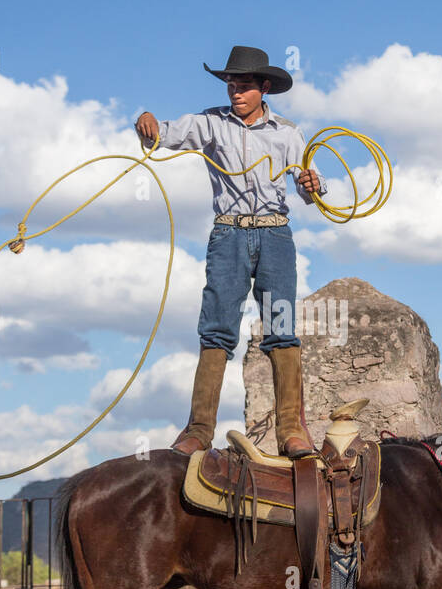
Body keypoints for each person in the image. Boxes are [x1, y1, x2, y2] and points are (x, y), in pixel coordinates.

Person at [135, 44, 328, 458]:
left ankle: (291, 431)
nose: (235, 93)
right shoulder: (209, 124)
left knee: (281, 329)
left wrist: (312, 186)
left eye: (243, 86)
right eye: (230, 85)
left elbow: (310, 191)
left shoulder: (289, 133)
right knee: (217, 330)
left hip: (275, 236)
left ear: (264, 88)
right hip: (229, 235)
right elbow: (162, 134)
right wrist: (146, 122)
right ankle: (199, 431)